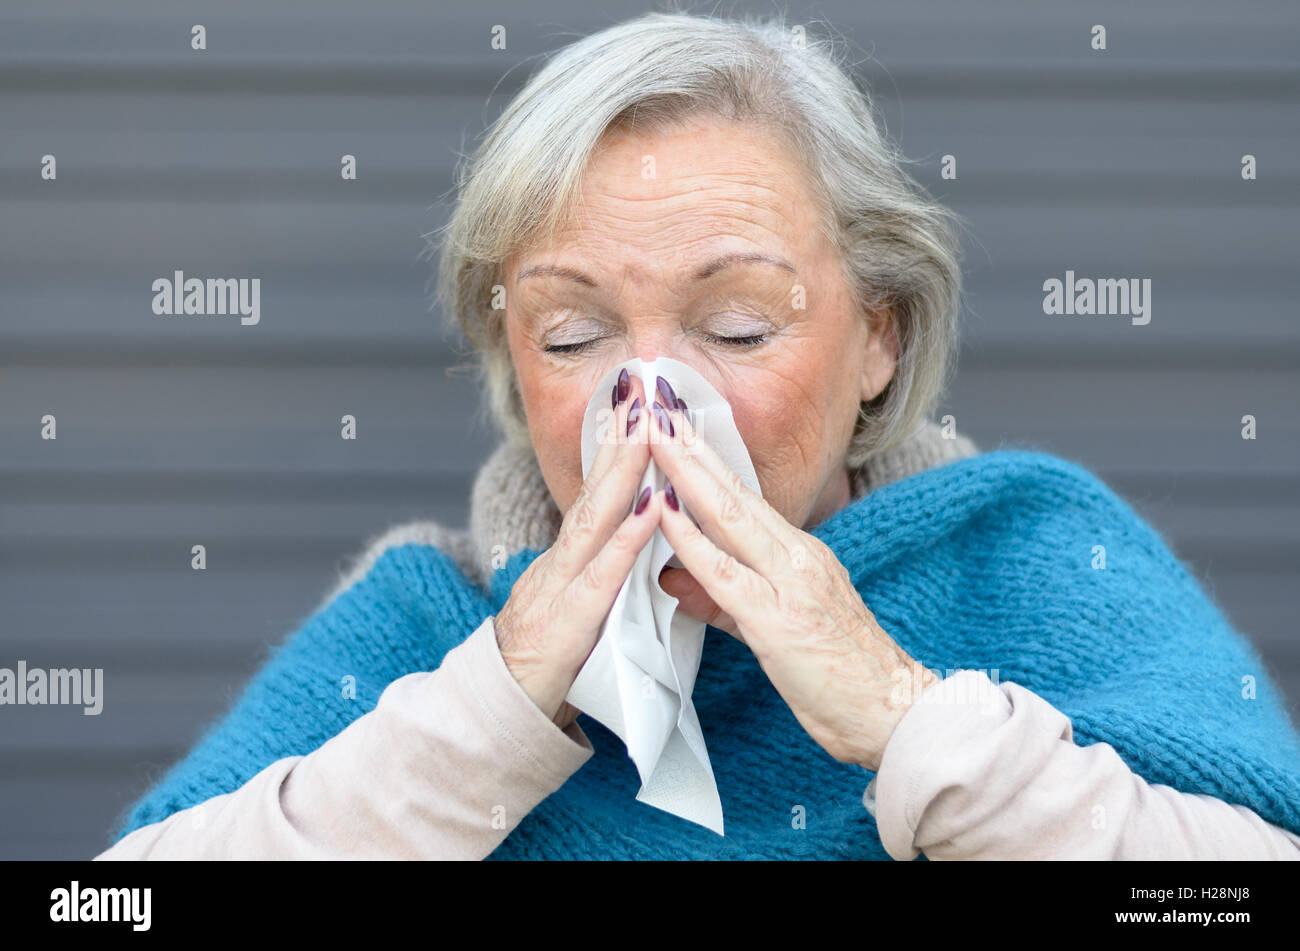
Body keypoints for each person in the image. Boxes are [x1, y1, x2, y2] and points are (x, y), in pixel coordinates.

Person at [96, 11, 1300, 860]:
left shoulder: (1028, 560)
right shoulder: (426, 626)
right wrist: (491, 712)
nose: (652, 402)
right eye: (575, 336)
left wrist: (903, 715)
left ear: (877, 336)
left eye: (733, 325)